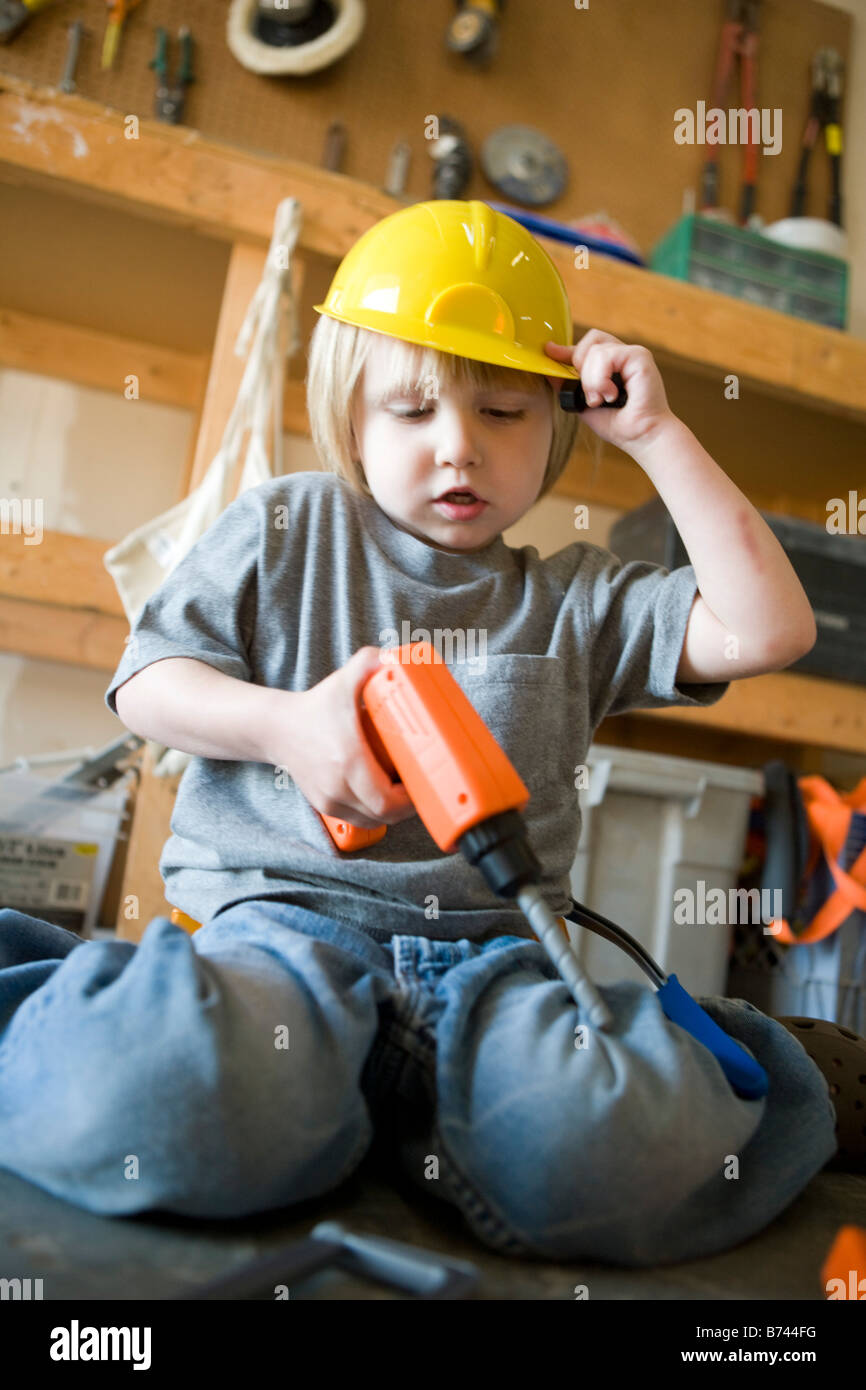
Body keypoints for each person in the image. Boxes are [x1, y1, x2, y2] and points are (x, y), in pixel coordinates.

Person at [0, 201, 839, 1268]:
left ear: (556, 424)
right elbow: (146, 684)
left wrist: (658, 438)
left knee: (624, 1147)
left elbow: (771, 627)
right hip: (281, 937)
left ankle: (398, 1108)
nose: (459, 448)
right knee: (157, 1091)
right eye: (410, 411)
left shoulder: (575, 601)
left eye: (501, 411)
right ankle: (248, 1062)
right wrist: (286, 726)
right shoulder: (285, 524)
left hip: (495, 970)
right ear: (350, 418)